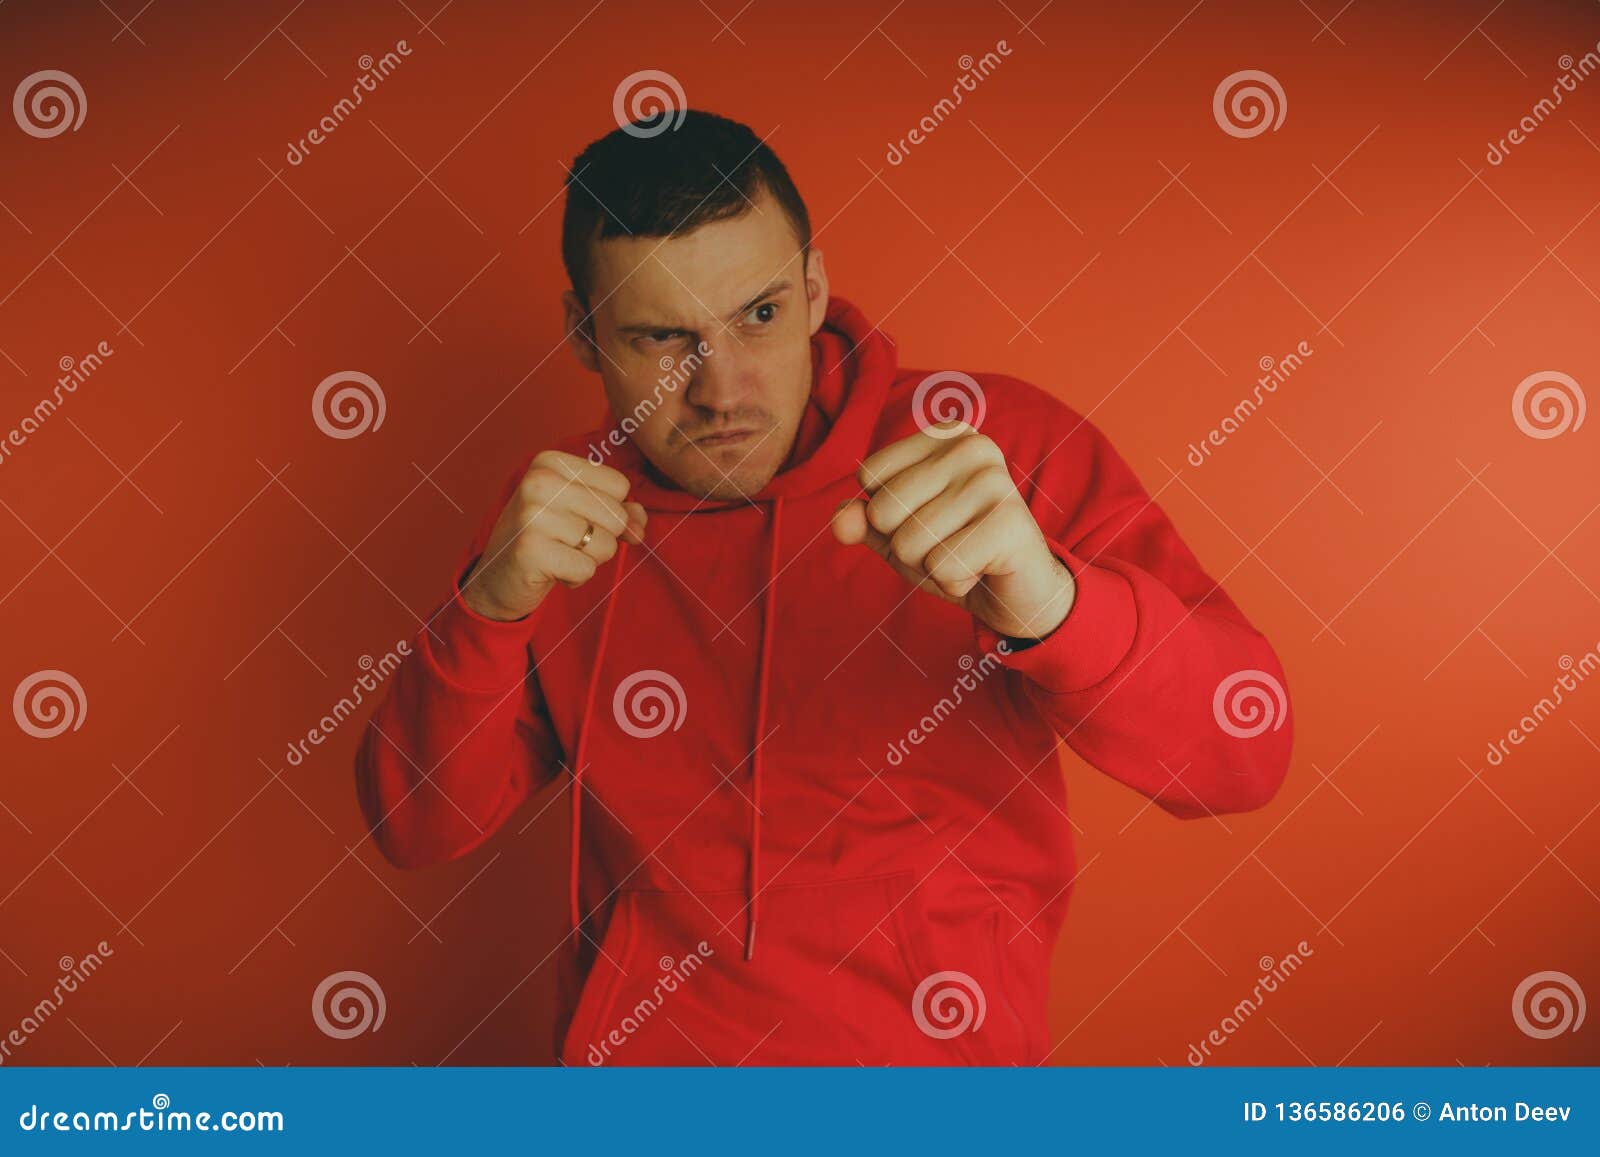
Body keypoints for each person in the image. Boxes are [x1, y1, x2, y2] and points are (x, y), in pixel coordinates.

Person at [354, 109, 1293, 1066]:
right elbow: (419, 826)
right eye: (660, 336)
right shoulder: (560, 514)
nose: (720, 388)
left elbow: (1244, 753)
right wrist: (487, 609)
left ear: (812, 293)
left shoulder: (987, 450)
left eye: (758, 316)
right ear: (586, 336)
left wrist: (1051, 606)